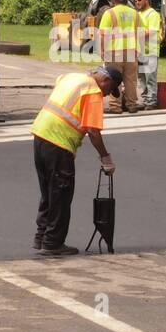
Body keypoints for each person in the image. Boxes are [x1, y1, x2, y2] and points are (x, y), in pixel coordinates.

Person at [31, 66, 120, 257]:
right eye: (109, 91)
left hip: (40, 136)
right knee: (61, 195)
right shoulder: (93, 91)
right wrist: (106, 158)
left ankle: (42, 237)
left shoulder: (72, 77)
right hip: (58, 143)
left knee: (48, 192)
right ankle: (52, 243)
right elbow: (93, 131)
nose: (105, 96)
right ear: (106, 81)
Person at [97, 0, 139, 112]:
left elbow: (103, 34)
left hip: (114, 52)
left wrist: (103, 50)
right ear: (127, 0)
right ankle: (132, 105)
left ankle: (115, 106)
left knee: (114, 80)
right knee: (131, 80)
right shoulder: (135, 14)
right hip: (131, 51)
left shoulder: (109, 13)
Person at [134, 0, 162, 110]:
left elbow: (151, 32)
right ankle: (146, 100)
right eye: (135, 1)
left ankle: (152, 101)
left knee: (150, 76)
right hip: (140, 51)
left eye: (139, 0)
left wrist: (134, 34)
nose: (137, 2)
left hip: (151, 50)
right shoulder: (138, 14)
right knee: (142, 77)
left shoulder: (153, 14)